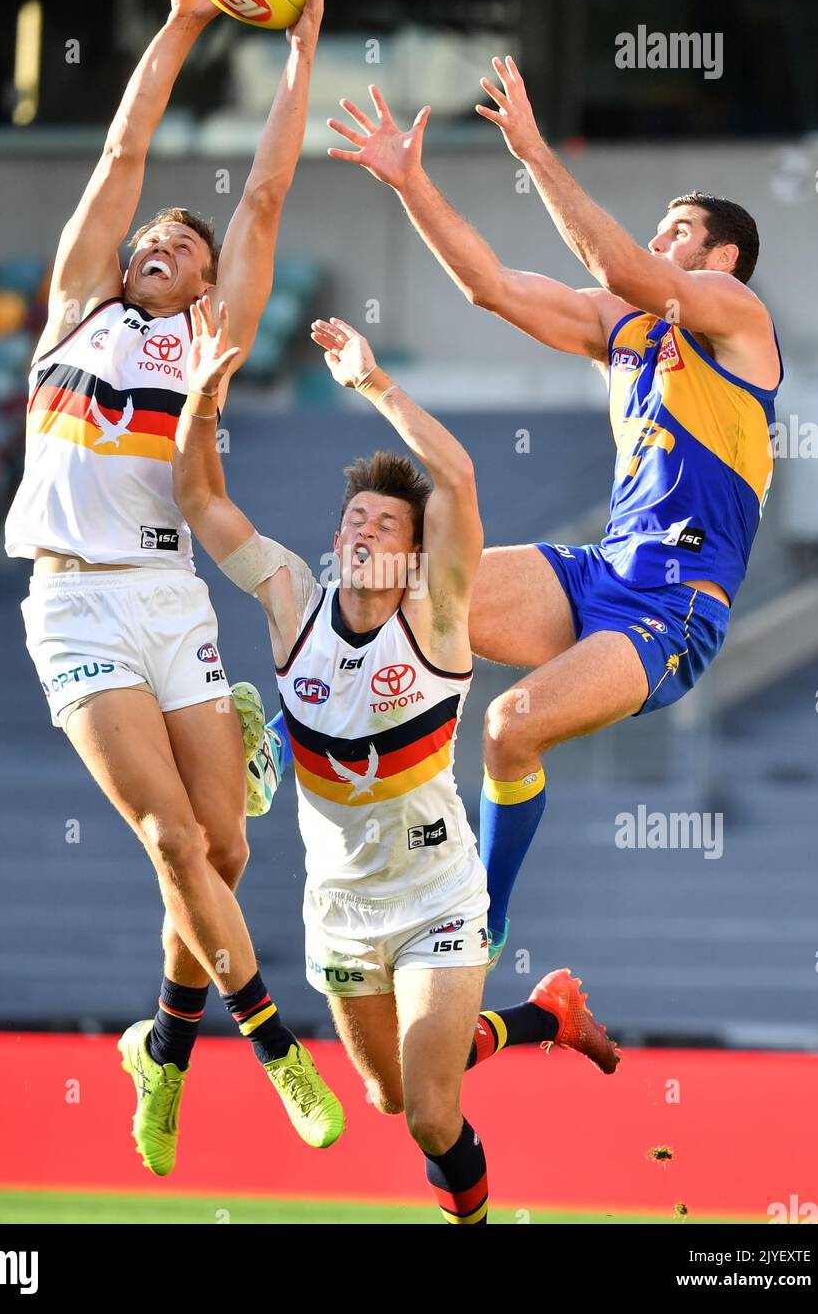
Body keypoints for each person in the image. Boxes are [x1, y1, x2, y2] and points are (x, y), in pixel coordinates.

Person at [3, 0, 344, 1175]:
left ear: (204, 279)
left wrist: (301, 48)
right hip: (75, 609)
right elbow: (122, 151)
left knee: (227, 851)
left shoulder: (214, 332)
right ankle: (272, 1047)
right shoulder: (77, 311)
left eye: (179, 245)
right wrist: (187, 20)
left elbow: (261, 195)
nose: (159, 239)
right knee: (172, 844)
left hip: (168, 594)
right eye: (150, 237)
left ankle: (159, 1042)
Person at [322, 65, 783, 965]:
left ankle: (483, 924)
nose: (659, 241)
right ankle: (306, 744)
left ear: (721, 257)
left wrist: (532, 151)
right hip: (602, 572)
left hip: (674, 607)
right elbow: (489, 285)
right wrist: (412, 181)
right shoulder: (631, 334)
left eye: (678, 232)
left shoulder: (737, 314)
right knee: (401, 588)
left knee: (509, 727)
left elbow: (618, 266)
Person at [174, 303, 619, 1225]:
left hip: (438, 901)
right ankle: (546, 1017)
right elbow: (202, 504)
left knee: (428, 1113)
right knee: (387, 1096)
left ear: (416, 553)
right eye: (353, 520)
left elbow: (454, 474)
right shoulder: (294, 598)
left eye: (383, 522)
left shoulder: (436, 615)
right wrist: (201, 401)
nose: (362, 531)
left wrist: (373, 384)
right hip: (340, 909)